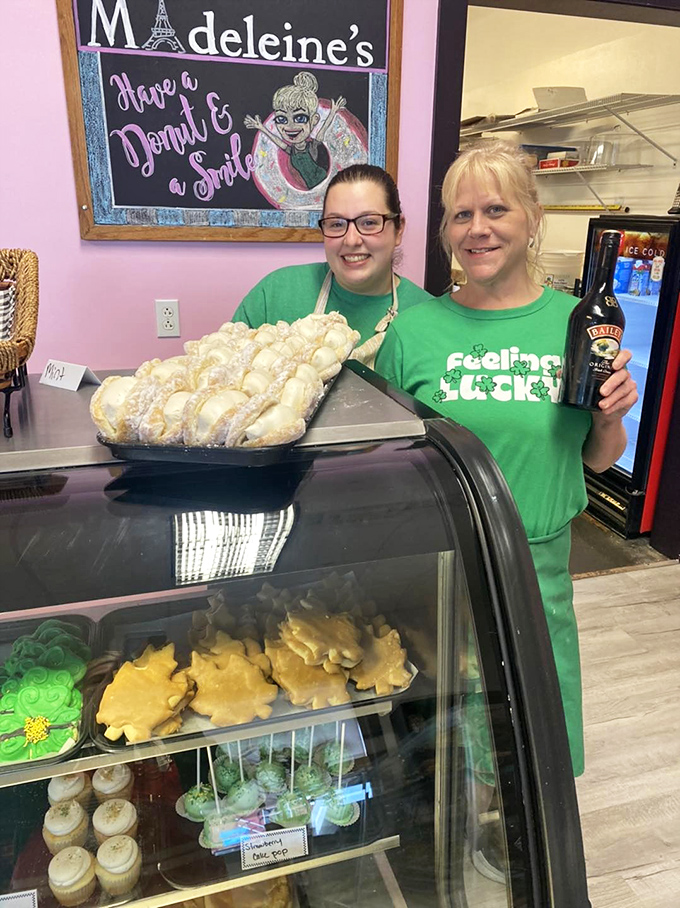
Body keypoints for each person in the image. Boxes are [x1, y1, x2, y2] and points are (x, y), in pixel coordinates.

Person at [375, 140, 638, 783]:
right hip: (443, 570)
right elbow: (389, 464)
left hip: (539, 567)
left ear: (532, 217)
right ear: (444, 231)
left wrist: (611, 416)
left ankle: (519, 848)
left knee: (535, 727)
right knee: (451, 726)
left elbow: (598, 461)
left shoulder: (576, 323)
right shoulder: (414, 332)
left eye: (495, 209)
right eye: (460, 215)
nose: (477, 229)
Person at [233, 163, 434, 366]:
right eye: (337, 224)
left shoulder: (429, 317)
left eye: (369, 222)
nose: (351, 240)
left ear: (398, 230)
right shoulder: (274, 294)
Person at [244, 72, 346, 191]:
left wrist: (333, 111)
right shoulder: (291, 150)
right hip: (310, 191)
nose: (290, 126)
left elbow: (324, 128)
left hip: (326, 184)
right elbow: (276, 140)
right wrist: (261, 128)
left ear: (314, 121)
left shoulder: (312, 146)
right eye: (282, 119)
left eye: (300, 118)